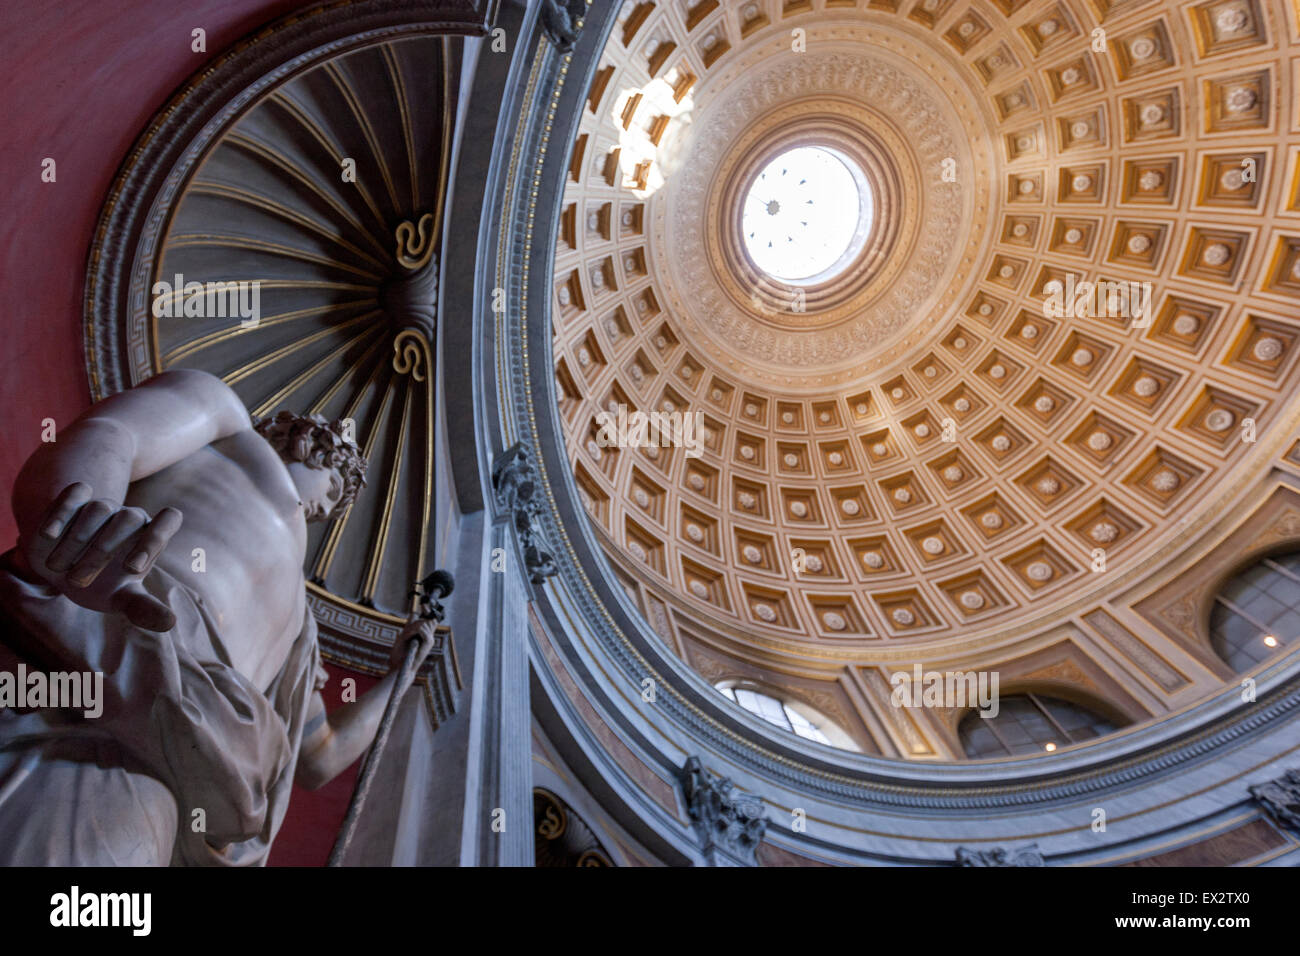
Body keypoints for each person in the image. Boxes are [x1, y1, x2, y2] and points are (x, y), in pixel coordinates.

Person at [0, 368, 437, 865]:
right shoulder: (229, 424)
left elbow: (319, 755)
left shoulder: (302, 624)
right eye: (334, 479)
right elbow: (110, 435)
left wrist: (399, 676)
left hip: (178, 763)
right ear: (296, 436)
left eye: (338, 495)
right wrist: (84, 532)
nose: (328, 500)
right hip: (85, 639)